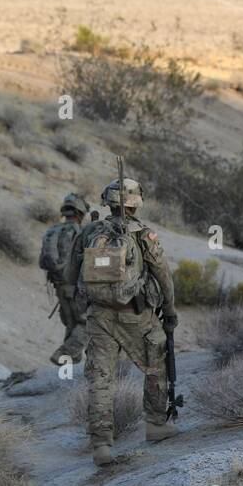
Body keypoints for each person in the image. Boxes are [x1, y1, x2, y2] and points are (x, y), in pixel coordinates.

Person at [63, 170, 179, 466]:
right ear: (136, 203)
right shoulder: (142, 234)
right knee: (155, 365)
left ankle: (101, 445)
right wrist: (170, 311)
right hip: (135, 314)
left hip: (99, 316)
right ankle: (155, 425)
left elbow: (70, 275)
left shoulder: (89, 232)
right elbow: (163, 276)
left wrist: (81, 305)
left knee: (100, 379)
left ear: (108, 202)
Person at [38, 192, 90, 365]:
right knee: (88, 323)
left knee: (72, 325)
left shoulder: (53, 230)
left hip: (59, 286)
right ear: (80, 213)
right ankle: (63, 354)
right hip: (75, 287)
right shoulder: (80, 233)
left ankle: (69, 364)